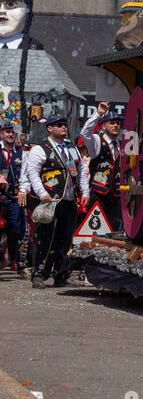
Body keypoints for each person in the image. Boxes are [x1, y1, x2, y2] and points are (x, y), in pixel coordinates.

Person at [20, 114, 89, 288]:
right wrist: (42, 193)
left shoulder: (72, 148)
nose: (63, 127)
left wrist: (86, 191)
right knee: (44, 237)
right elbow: (32, 173)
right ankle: (38, 274)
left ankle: (61, 274)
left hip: (69, 200)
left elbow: (81, 171)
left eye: (64, 124)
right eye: (59, 125)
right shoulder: (40, 149)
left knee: (65, 239)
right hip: (49, 200)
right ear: (50, 128)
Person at [78, 101, 122, 231]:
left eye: (118, 123)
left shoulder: (121, 144)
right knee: (94, 230)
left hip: (115, 195)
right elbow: (85, 133)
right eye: (112, 123)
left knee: (112, 230)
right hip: (99, 193)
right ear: (103, 126)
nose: (116, 125)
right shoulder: (97, 141)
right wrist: (98, 114)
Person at [0, 124, 26, 274]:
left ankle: (14, 258)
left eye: (12, 132)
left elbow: (25, 173)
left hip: (14, 197)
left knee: (15, 229)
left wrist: (23, 190)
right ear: (2, 134)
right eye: (7, 132)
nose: (10, 134)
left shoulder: (21, 152)